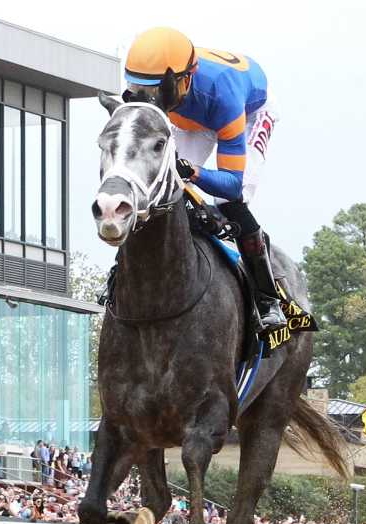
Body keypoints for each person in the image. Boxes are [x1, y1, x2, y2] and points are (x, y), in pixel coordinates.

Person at [121, 26, 286, 331]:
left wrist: (194, 173)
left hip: (246, 113)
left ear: (185, 78)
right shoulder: (155, 84)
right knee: (162, 186)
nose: (150, 98)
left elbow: (232, 183)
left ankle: (268, 300)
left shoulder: (224, 98)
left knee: (228, 203)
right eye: (141, 88)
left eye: (158, 90)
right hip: (192, 113)